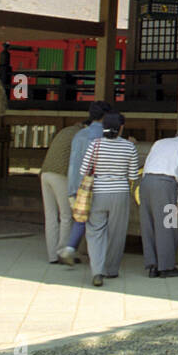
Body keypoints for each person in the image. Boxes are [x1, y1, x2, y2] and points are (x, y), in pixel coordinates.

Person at [77, 112, 140, 287]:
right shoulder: (129, 147)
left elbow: (84, 170)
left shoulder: (95, 145)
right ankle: (111, 269)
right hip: (120, 193)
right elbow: (133, 174)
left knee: (95, 232)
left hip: (98, 193)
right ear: (121, 128)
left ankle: (97, 271)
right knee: (117, 233)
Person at [57, 101, 113, 265]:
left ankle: (70, 247)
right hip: (92, 185)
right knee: (97, 224)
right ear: (105, 116)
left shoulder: (80, 134)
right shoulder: (103, 135)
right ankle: (97, 261)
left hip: (74, 184)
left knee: (81, 218)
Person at [139, 128, 178, 278]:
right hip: (166, 184)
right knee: (168, 224)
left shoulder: (159, 142)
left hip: (146, 183)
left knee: (149, 224)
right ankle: (166, 267)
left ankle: (152, 266)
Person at [39, 123, 81, 263]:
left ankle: (52, 255)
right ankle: (63, 252)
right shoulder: (80, 134)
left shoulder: (65, 131)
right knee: (66, 215)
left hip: (45, 173)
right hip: (60, 174)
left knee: (50, 215)